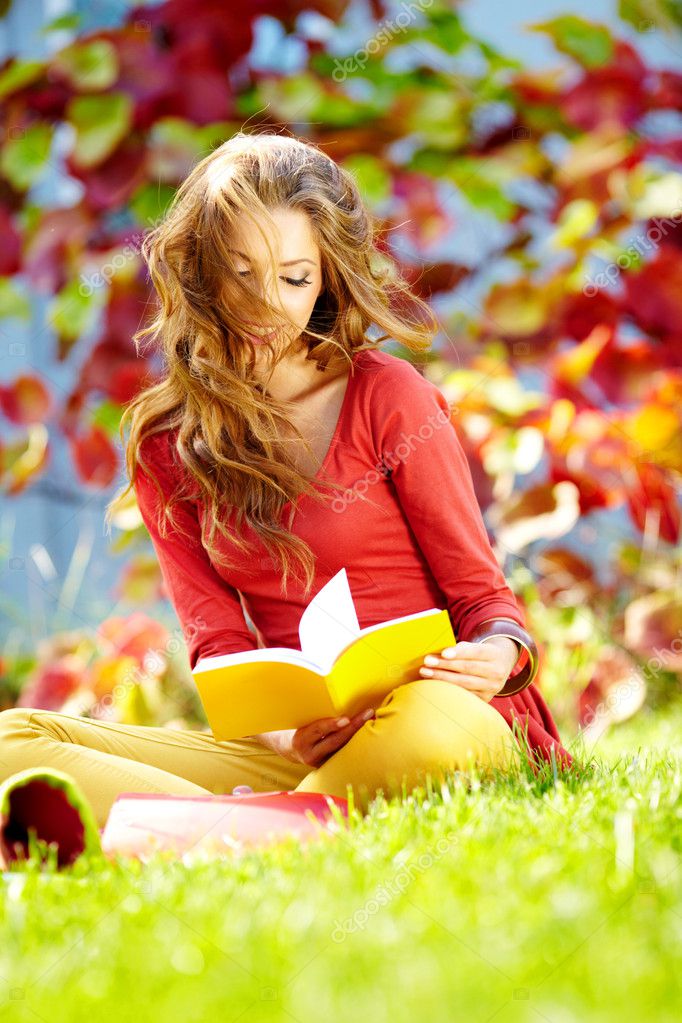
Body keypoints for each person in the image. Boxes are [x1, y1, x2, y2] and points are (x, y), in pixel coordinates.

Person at [0, 133, 573, 827]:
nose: (266, 306)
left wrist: (495, 655)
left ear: (328, 277)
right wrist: (282, 734)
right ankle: (273, 824)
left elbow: (487, 601)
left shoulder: (388, 396)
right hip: (303, 751)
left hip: (443, 718)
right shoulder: (165, 445)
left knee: (423, 724)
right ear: (199, 270)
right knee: (15, 740)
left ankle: (219, 826)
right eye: (241, 273)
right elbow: (218, 646)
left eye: (294, 278)